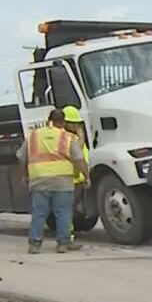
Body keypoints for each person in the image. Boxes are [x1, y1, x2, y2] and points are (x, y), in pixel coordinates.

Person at [19, 106, 87, 254]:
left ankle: (34, 245)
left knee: (39, 213)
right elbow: (79, 158)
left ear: (48, 121)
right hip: (62, 182)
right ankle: (63, 244)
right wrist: (86, 176)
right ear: (63, 122)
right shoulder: (67, 137)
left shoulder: (34, 135)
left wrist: (24, 175)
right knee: (63, 213)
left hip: (39, 181)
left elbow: (21, 156)